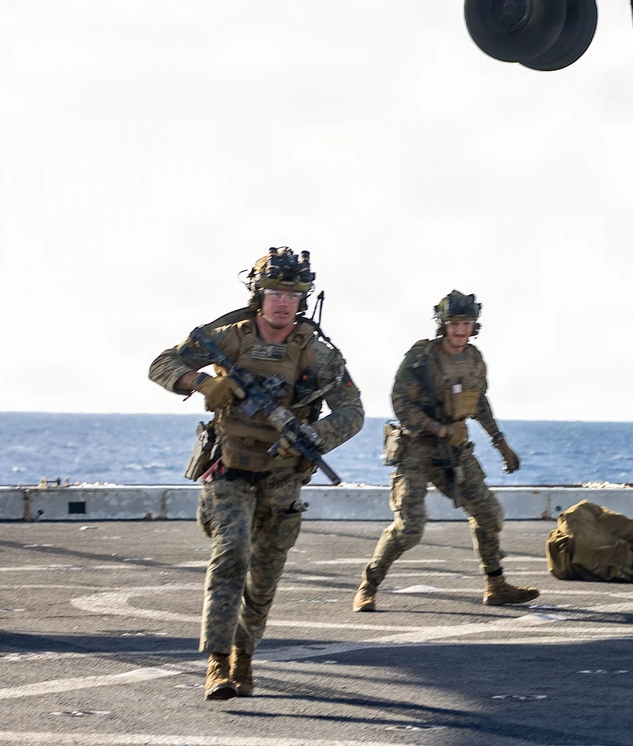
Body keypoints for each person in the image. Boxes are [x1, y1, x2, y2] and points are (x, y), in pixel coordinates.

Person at [149, 247, 363, 700]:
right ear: (258, 294)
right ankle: (216, 662)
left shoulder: (317, 355)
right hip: (229, 468)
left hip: (283, 477)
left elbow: (353, 412)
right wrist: (204, 383)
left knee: (264, 575)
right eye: (273, 292)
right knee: (232, 554)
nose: (282, 301)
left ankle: (245, 655)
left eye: (292, 293)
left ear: (303, 299)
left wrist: (312, 435)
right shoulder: (229, 337)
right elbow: (163, 364)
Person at [353, 290, 539, 611]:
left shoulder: (474, 360)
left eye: (466, 323)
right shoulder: (422, 358)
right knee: (409, 529)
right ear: (442, 323)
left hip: (454, 452)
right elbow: (400, 402)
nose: (460, 330)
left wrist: (500, 442)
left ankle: (495, 585)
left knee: (489, 514)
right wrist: (437, 429)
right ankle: (368, 585)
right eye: (454, 323)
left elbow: (478, 402)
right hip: (417, 451)